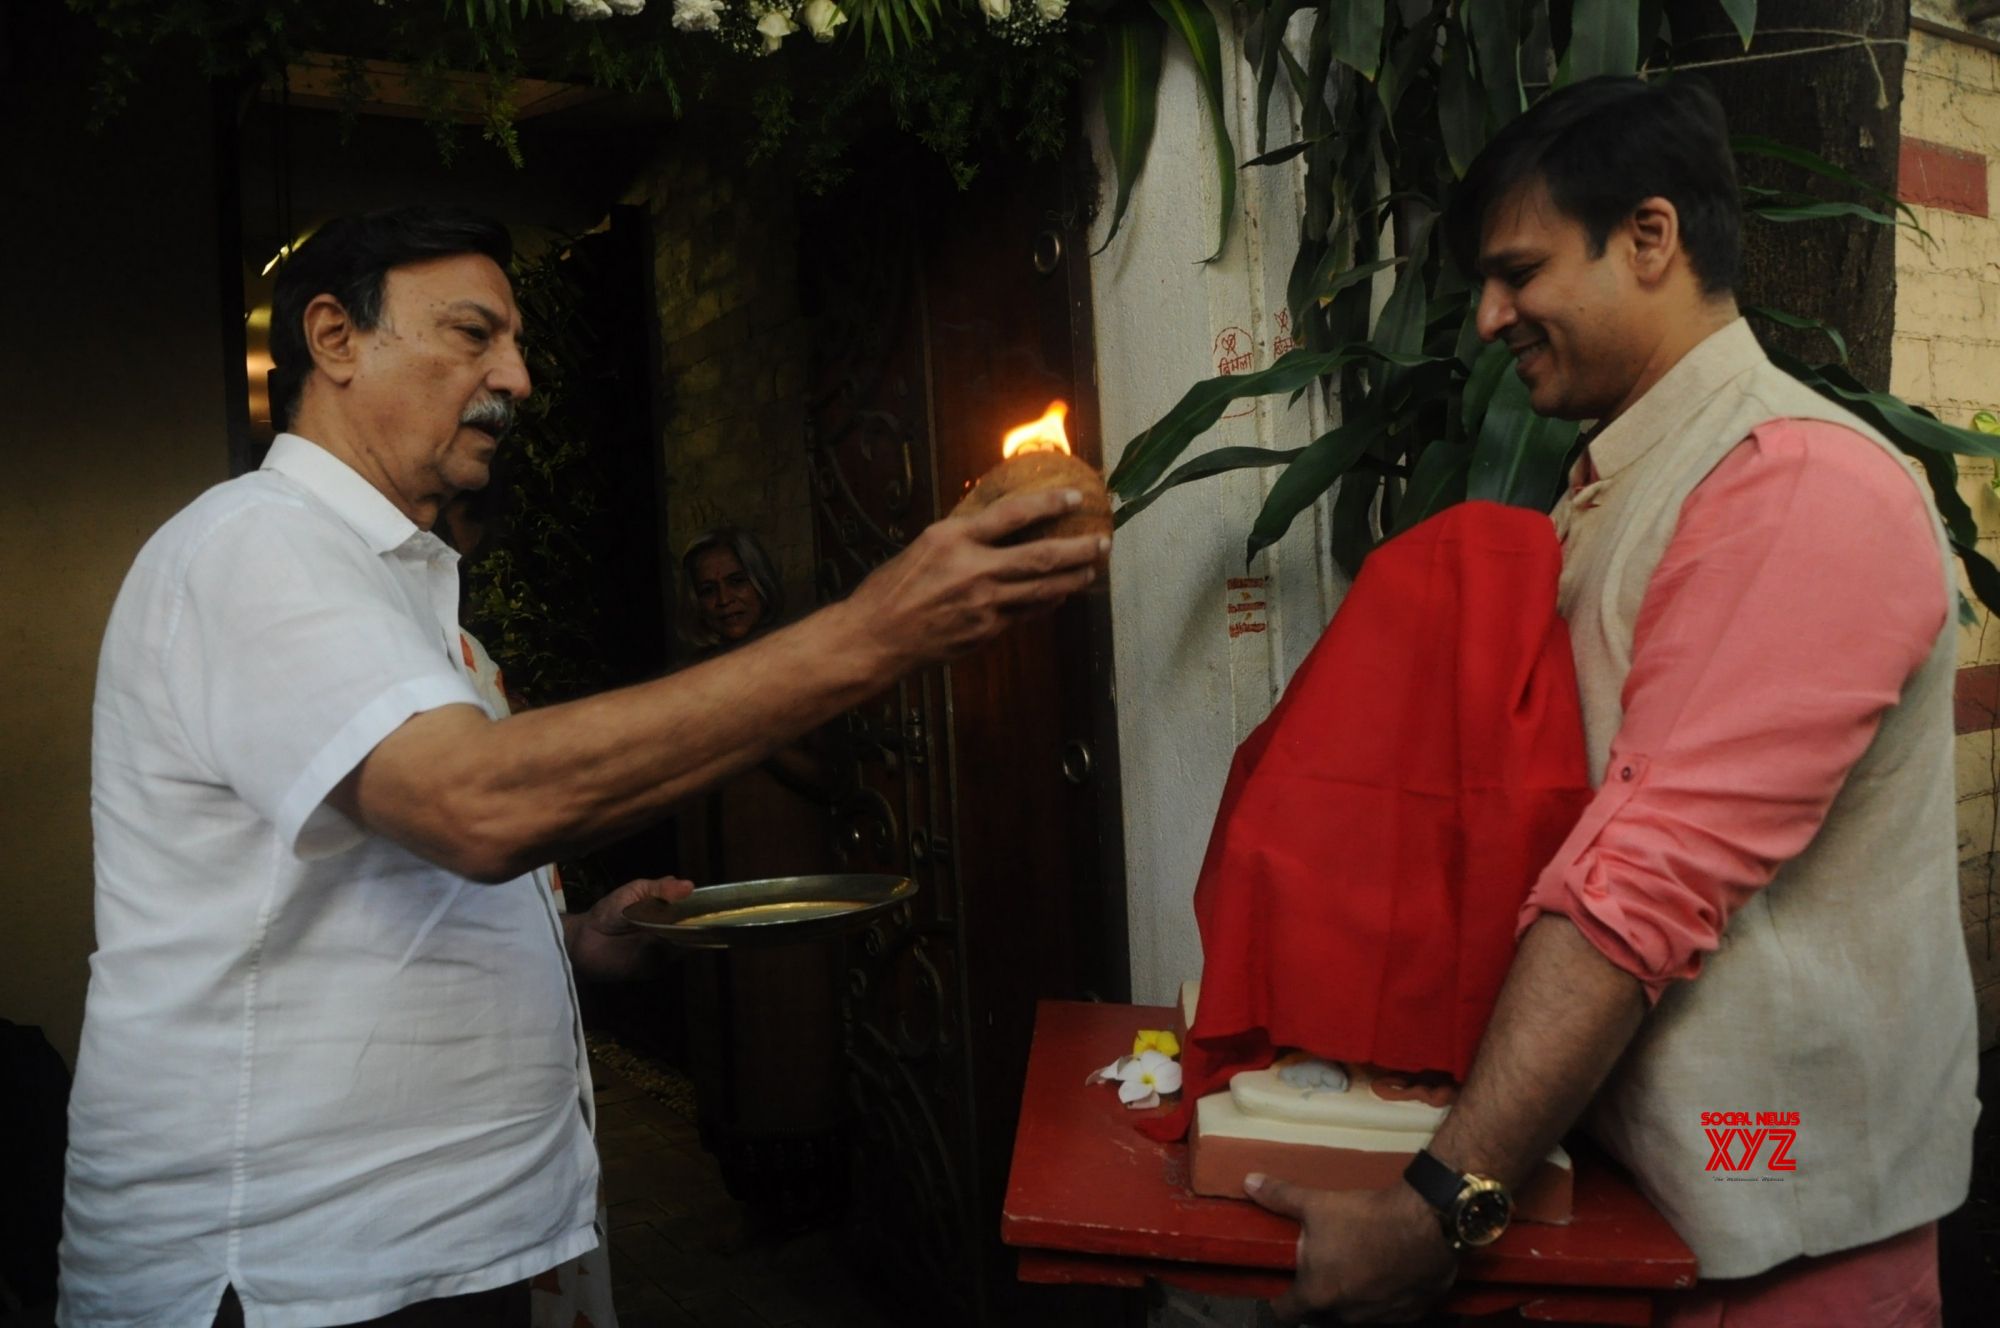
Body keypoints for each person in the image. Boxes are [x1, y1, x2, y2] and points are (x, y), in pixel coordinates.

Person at [59, 206, 1105, 1327]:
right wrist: (875, 630)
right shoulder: (254, 544)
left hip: (427, 1257)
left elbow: (355, 886)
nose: (516, 377)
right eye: (474, 334)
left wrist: (565, 936)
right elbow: (474, 802)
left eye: (516, 343)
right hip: (292, 1275)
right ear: (333, 338)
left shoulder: (397, 588)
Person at [1241, 77, 1978, 1326]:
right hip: (1638, 1208)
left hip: (1770, 1208)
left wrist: (1433, 1210)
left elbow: (1640, 874)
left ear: (1648, 237)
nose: (1488, 317)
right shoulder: (1632, 478)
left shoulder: (1790, 484)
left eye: (1517, 272)